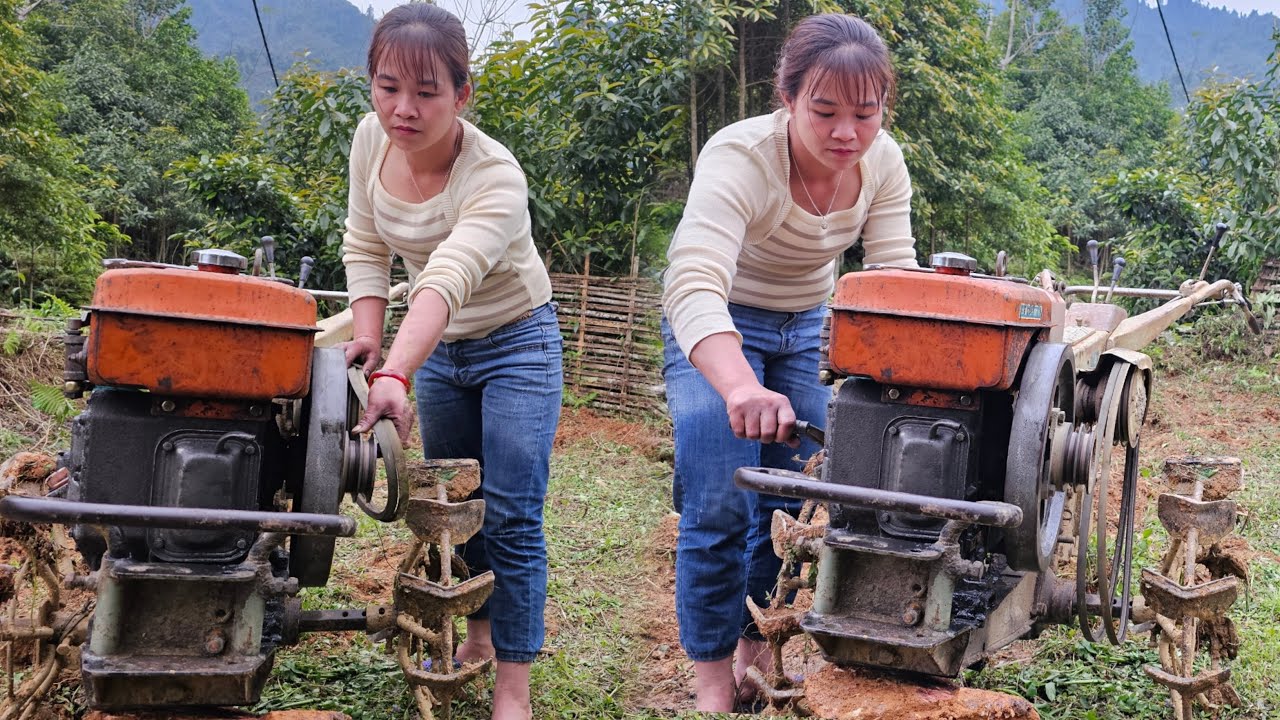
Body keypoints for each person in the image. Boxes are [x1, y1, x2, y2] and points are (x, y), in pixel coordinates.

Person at [660, 13, 919, 712]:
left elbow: (893, 281)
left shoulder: (882, 162)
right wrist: (738, 383)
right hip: (717, 324)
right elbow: (693, 281)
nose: (847, 133)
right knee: (718, 497)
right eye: (825, 111)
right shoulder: (740, 157)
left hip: (810, 326)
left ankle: (753, 652)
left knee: (795, 504)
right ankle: (712, 681)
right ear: (788, 98)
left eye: (865, 114)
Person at [339, 5, 562, 719]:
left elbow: (446, 277)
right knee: (456, 509)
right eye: (388, 87)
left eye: (428, 92)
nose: (404, 109)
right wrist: (372, 340)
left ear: (463, 94)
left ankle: (513, 686)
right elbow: (365, 244)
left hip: (517, 341)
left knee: (514, 516)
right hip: (437, 350)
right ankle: (478, 634)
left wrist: (395, 373)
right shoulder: (370, 140)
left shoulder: (494, 174)